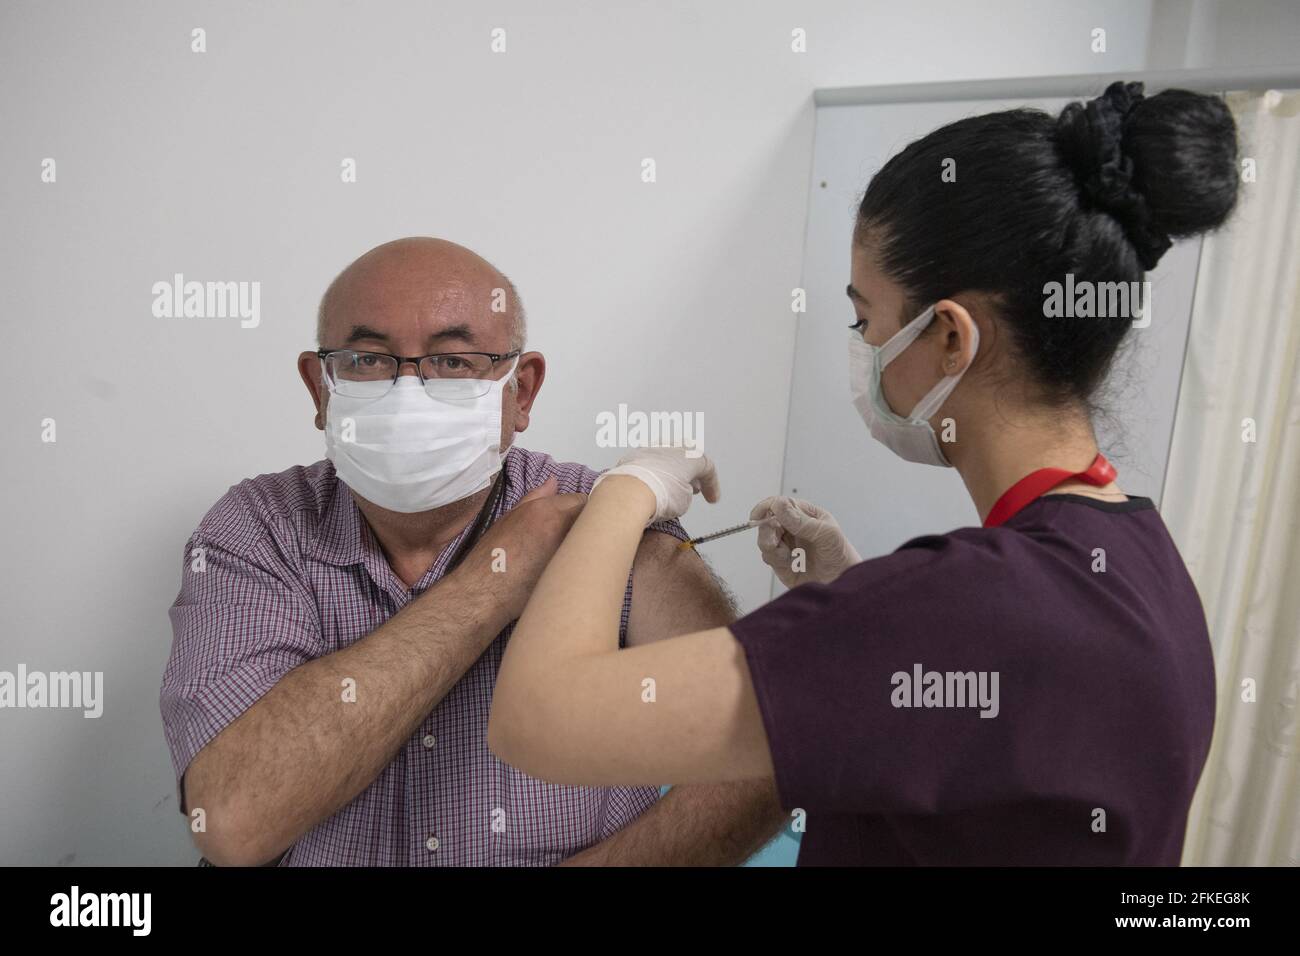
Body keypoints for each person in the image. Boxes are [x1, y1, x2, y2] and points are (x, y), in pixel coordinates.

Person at [487, 82, 1239, 865]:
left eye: (865, 319)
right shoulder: (1143, 559)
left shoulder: (956, 610)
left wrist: (626, 489)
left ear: (951, 338)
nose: (859, 347)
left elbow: (537, 717)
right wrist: (844, 591)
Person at [160, 237, 784, 866]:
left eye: (454, 362)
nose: (409, 392)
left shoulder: (606, 521)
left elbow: (766, 749)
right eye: (368, 359)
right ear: (320, 388)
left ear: (522, 392)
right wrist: (496, 578)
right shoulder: (259, 528)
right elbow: (235, 819)